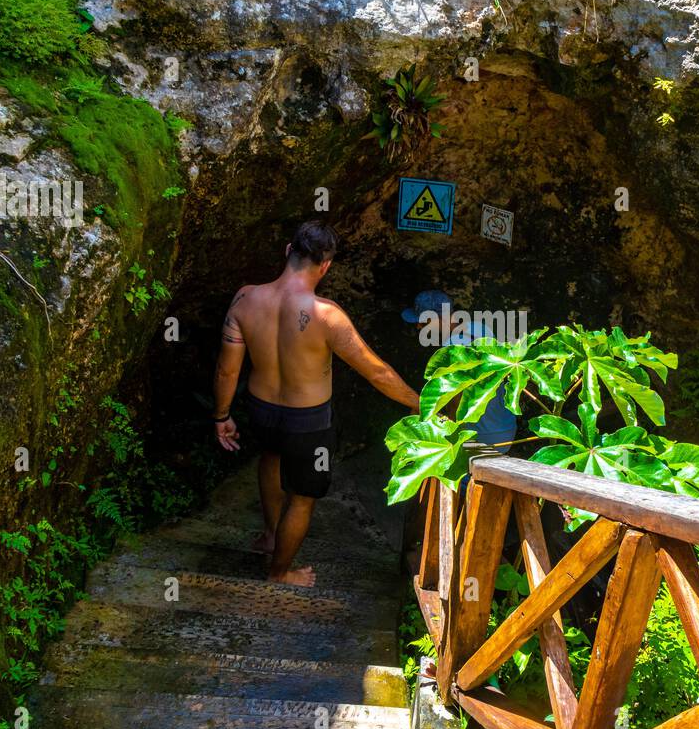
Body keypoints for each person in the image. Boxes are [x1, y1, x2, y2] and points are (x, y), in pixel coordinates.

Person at [212, 221, 420, 586]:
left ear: (288, 250)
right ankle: (279, 572)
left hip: (260, 409)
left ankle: (271, 536)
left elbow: (227, 370)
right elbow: (377, 373)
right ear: (325, 266)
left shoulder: (245, 298)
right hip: (307, 422)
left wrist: (222, 415)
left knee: (270, 459)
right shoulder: (327, 316)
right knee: (304, 497)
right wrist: (419, 403)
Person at [402, 290, 517, 452]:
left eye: (422, 321)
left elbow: (457, 397)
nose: (418, 326)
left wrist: (449, 430)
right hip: (506, 429)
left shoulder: (453, 347)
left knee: (416, 415)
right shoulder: (479, 328)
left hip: (482, 437)